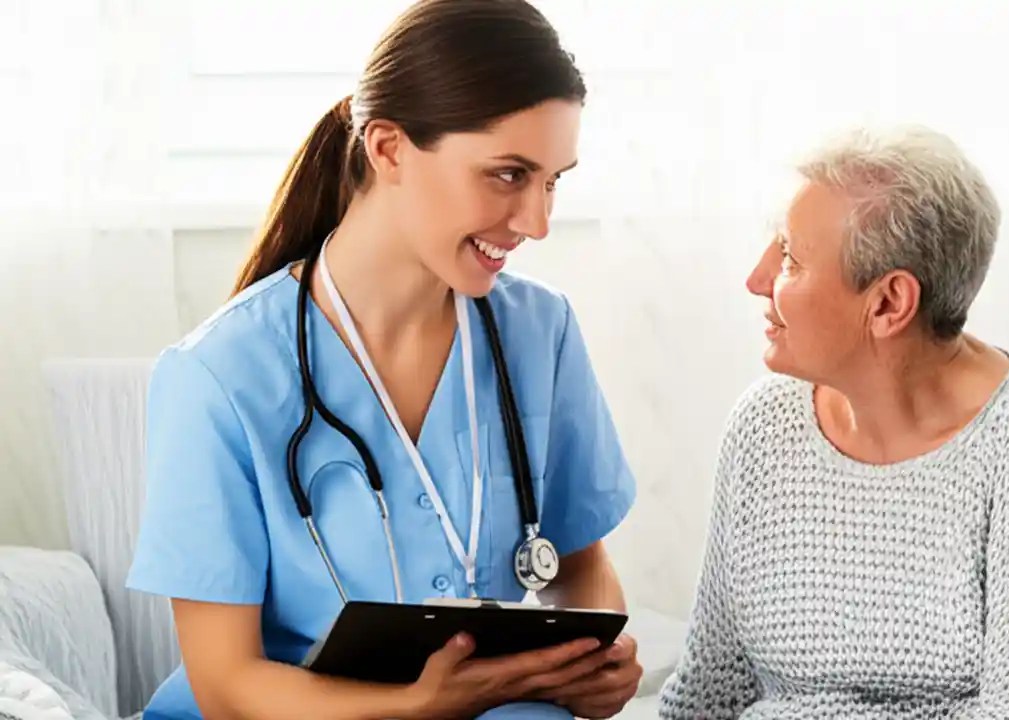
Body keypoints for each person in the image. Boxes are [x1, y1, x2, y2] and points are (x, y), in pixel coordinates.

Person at [124, 2, 642, 718]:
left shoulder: (539, 332)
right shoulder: (218, 376)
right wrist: (417, 708)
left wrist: (589, 663)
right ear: (389, 148)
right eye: (507, 175)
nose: (537, 222)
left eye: (553, 180)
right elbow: (226, 682)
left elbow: (580, 567)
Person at [658, 125, 1009, 718]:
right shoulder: (763, 428)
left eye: (788, 256)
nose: (758, 279)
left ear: (890, 303)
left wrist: (790, 715)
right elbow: (709, 694)